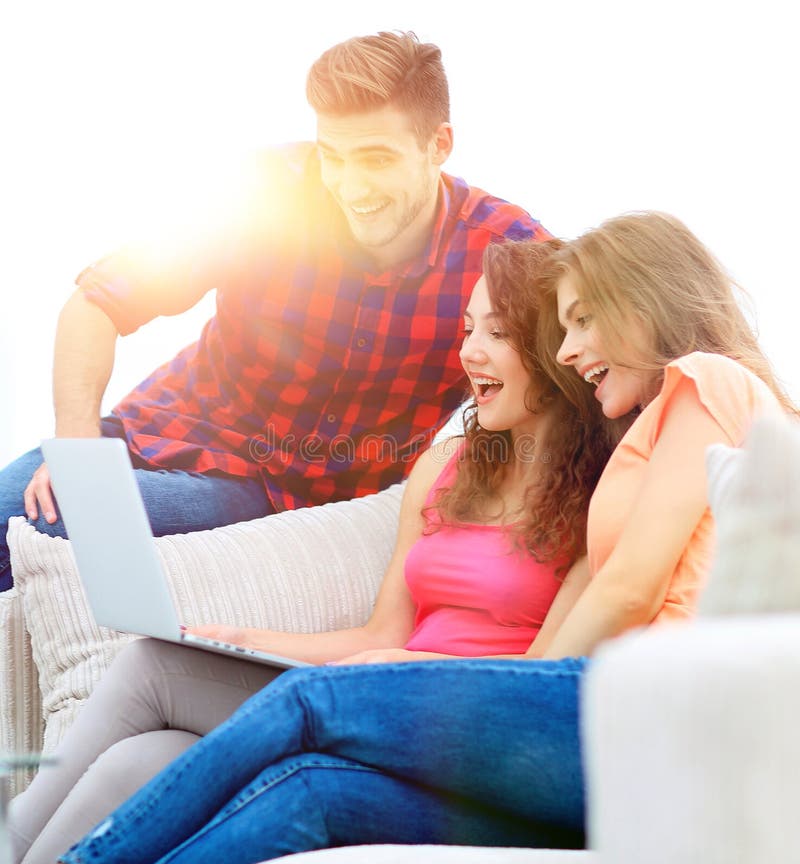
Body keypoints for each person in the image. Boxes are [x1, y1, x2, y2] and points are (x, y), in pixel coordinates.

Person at [21, 212, 796, 864]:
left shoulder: (707, 379)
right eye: (561, 327)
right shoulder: (638, 434)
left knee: (306, 700)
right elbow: (613, 584)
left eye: (581, 321)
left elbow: (630, 586)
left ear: (641, 303)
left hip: (615, 706)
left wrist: (513, 687)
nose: (568, 349)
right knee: (309, 787)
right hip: (606, 705)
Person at [0, 30, 548, 592]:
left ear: (439, 144)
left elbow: (580, 364)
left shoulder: (505, 253)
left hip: (280, 488)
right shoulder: (265, 191)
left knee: (40, 525)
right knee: (14, 507)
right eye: (332, 156)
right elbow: (96, 300)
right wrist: (76, 452)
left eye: (376, 159)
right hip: (160, 426)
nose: (351, 186)